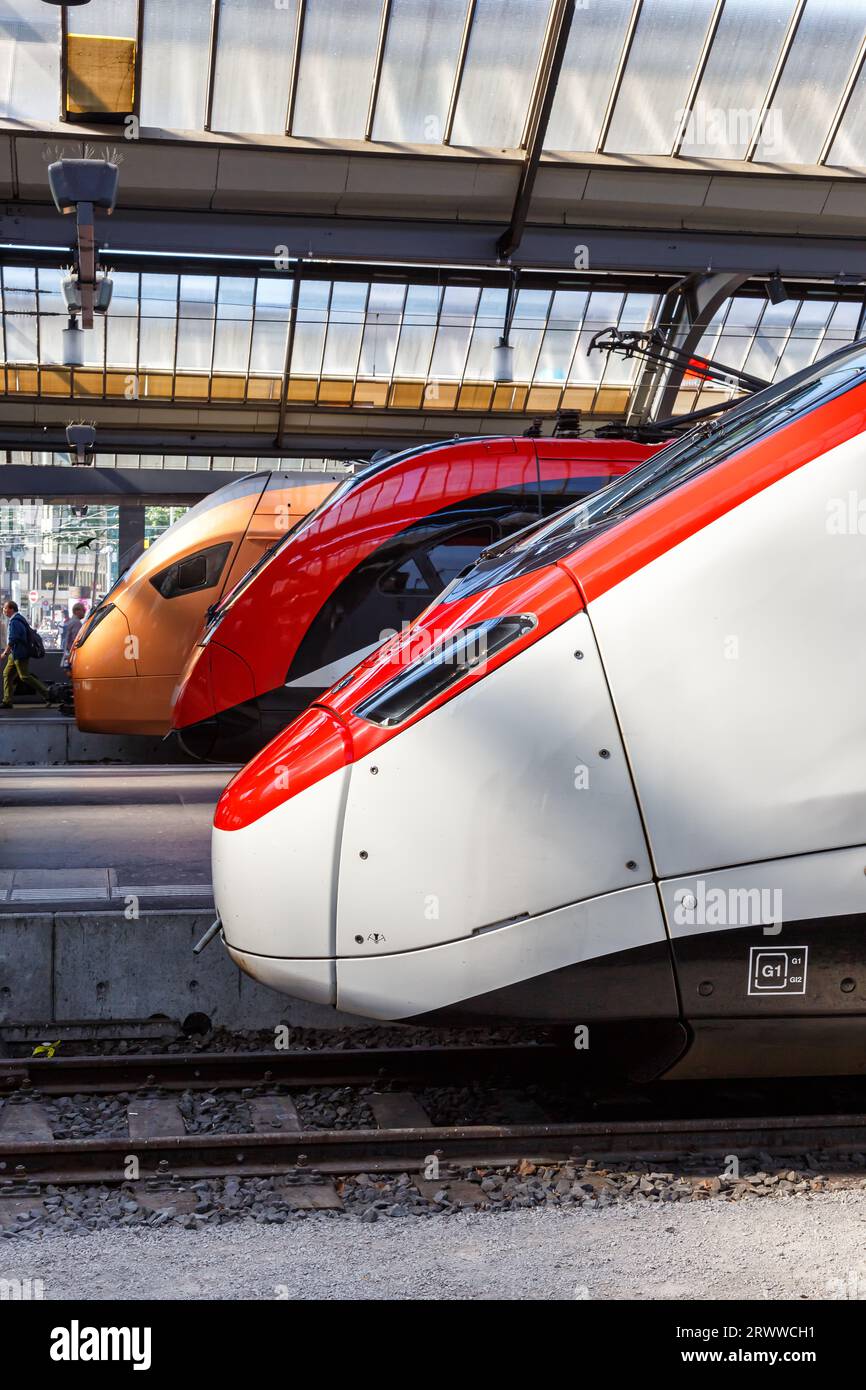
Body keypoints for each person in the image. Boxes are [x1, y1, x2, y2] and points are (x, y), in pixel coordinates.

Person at [1, 600, 52, 708]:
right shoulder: (18, 619)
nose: (4, 610)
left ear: (11, 609)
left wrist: (5, 653)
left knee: (24, 676)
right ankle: (7, 701)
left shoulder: (15, 621)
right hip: (15, 653)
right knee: (7, 674)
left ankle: (48, 694)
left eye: (5, 608)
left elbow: (14, 638)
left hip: (20, 653)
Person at [60, 602, 86, 670]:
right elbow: (76, 641)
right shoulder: (76, 623)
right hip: (73, 656)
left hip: (67, 655)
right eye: (83, 610)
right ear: (76, 611)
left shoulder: (71, 621)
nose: (84, 613)